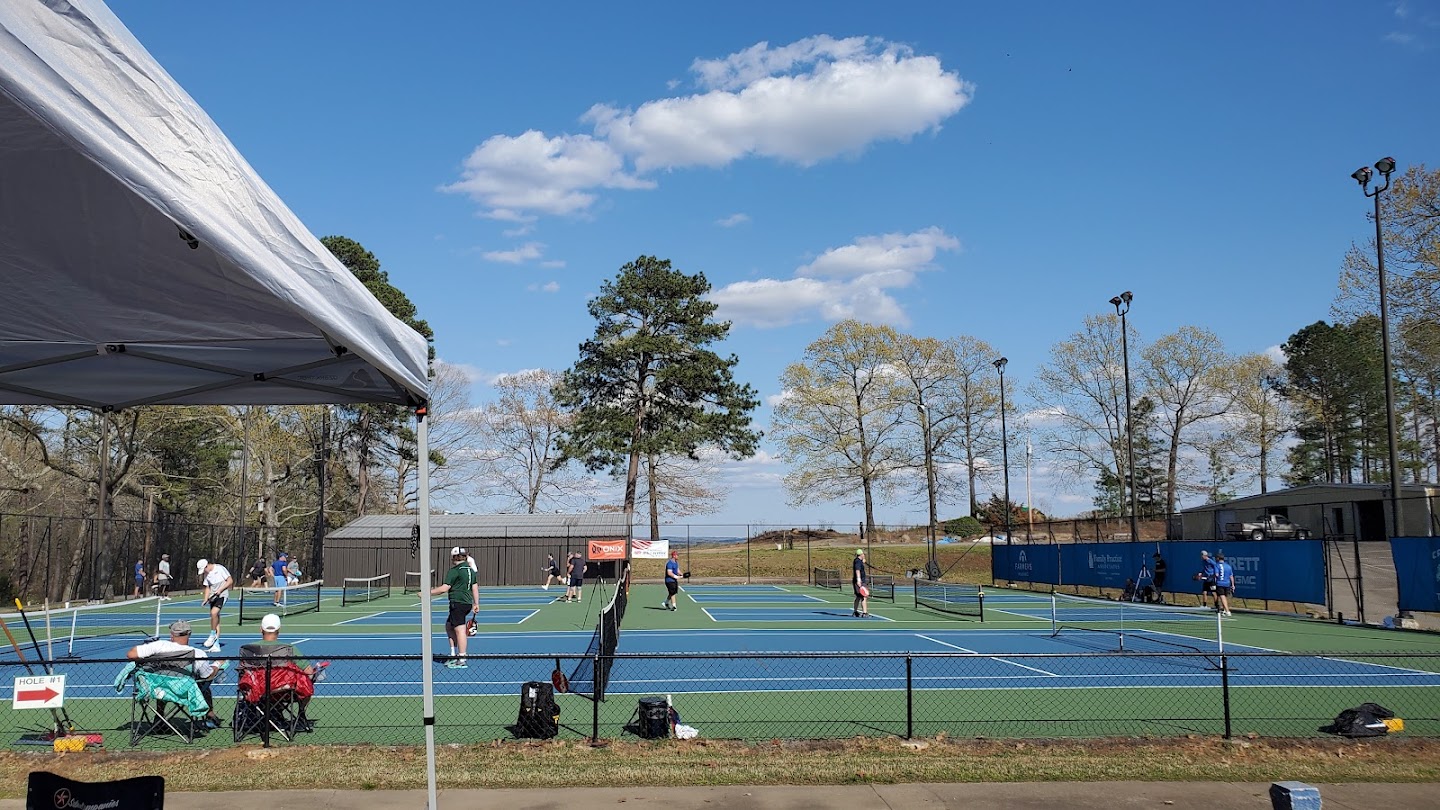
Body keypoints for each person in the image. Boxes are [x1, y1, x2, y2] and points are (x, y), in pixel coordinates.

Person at [126, 619, 224, 729]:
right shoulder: (198, 653)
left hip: (156, 689)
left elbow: (131, 654)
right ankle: (209, 715)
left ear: (172, 634)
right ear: (189, 634)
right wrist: (217, 664)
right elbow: (208, 676)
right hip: (183, 691)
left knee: (162, 678)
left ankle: (159, 718)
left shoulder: (159, 646)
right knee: (202, 684)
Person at [242, 613, 322, 732]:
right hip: (283, 691)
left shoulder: (248, 649)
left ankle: (271, 716)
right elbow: (309, 671)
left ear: (261, 629)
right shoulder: (287, 648)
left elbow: (243, 671)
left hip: (256, 690)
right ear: (279, 630)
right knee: (307, 683)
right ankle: (300, 715)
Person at [431, 546, 478, 668]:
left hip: (458, 603)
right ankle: (453, 654)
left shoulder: (454, 571)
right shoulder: (470, 571)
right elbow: (475, 587)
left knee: (460, 630)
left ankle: (462, 658)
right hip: (465, 603)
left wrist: (427, 592)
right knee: (449, 626)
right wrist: (476, 603)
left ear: (453, 557)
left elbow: (444, 588)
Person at [195, 558, 232, 650]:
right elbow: (207, 587)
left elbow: (230, 581)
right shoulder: (206, 574)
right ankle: (216, 644)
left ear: (207, 566)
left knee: (214, 613)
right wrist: (205, 598)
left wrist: (220, 590)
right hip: (213, 596)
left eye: (204, 570)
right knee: (215, 619)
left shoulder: (219, 568)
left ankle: (212, 634)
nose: (204, 572)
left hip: (222, 595)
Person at [1213, 553, 1235, 617]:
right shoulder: (1228, 566)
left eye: (1216, 558)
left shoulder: (1216, 565)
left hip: (1220, 583)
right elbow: (1231, 576)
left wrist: (1212, 576)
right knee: (1224, 597)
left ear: (1218, 558)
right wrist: (1233, 585)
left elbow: (1216, 575)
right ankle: (1225, 610)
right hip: (1227, 584)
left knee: (1222, 596)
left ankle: (1228, 611)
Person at [852, 549, 869, 618]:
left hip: (859, 581)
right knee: (863, 597)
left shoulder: (858, 561)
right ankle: (864, 613)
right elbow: (857, 570)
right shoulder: (858, 562)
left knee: (858, 597)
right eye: (863, 554)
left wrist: (863, 561)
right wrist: (859, 580)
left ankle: (855, 612)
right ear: (861, 554)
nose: (864, 555)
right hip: (860, 581)